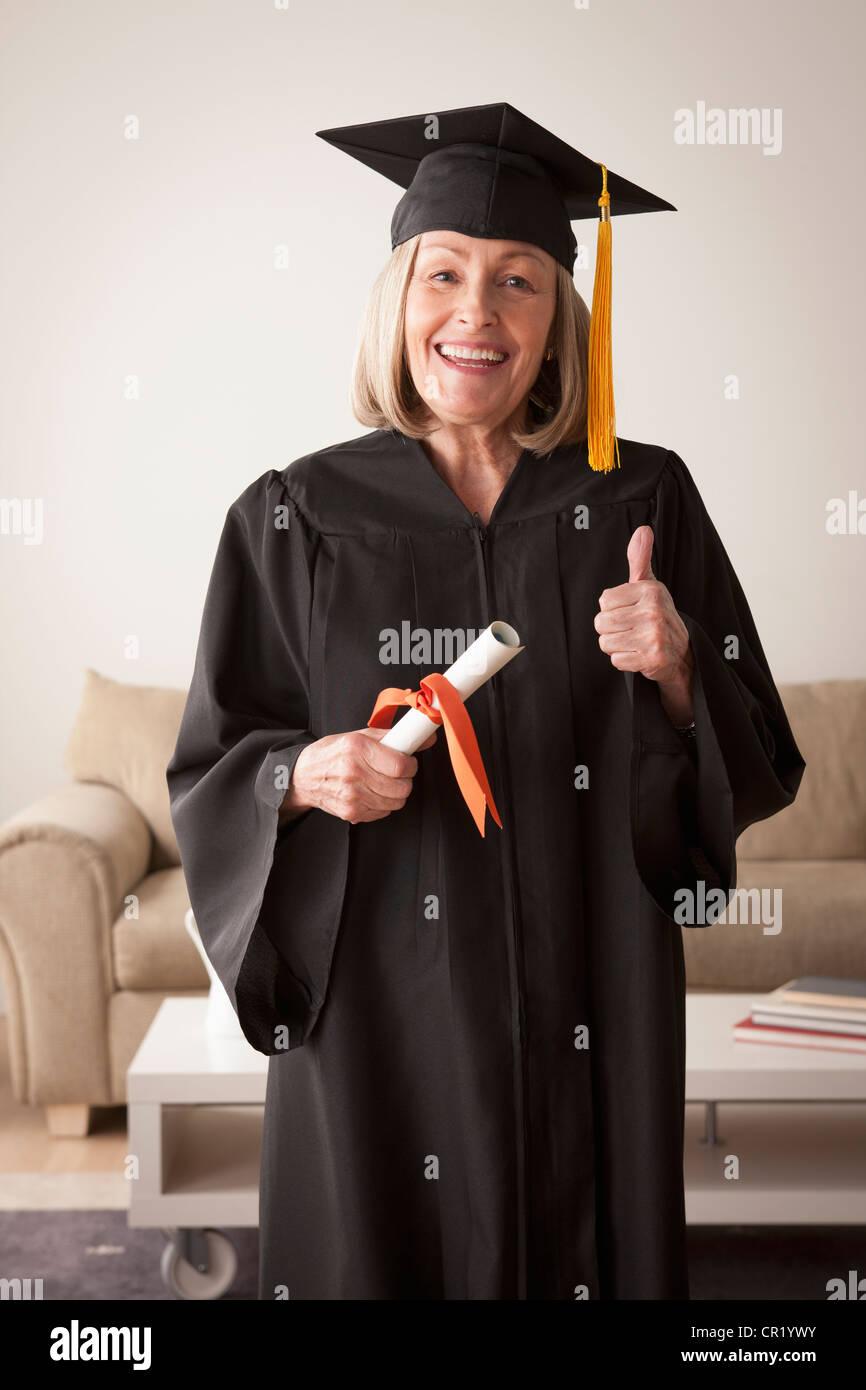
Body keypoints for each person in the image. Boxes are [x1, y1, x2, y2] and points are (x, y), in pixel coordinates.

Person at [166, 103, 805, 1300]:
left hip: (589, 974)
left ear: (560, 318)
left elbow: (751, 750)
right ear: (394, 304)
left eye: (518, 280)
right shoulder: (289, 517)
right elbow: (212, 764)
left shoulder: (640, 499)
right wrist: (301, 776)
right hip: (380, 1003)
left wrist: (676, 672)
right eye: (443, 274)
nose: (476, 312)